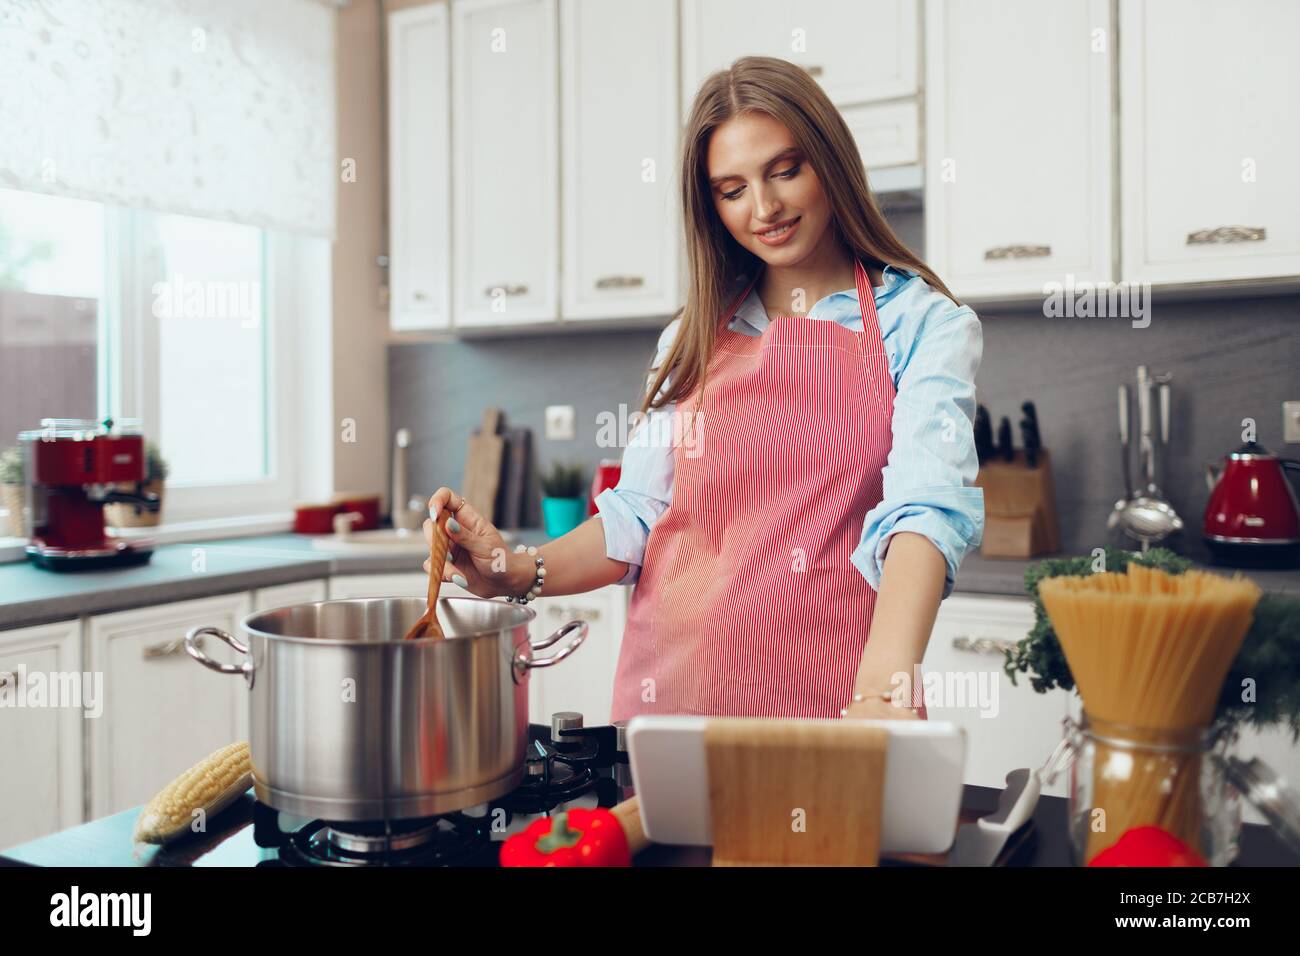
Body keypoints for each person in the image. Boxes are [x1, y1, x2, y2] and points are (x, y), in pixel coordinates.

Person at [425, 56, 983, 724]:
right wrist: (518, 570)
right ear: (710, 205)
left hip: (839, 702)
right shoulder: (691, 337)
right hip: (673, 698)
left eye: (785, 170)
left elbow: (924, 514)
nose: (765, 208)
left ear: (830, 164)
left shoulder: (921, 325)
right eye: (732, 189)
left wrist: (881, 693)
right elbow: (639, 513)